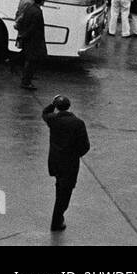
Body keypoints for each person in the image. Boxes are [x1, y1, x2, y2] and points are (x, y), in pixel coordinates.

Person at [42, 94, 90, 231]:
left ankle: (57, 219)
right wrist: (75, 154)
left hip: (55, 161)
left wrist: (53, 102)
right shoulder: (78, 123)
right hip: (70, 163)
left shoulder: (53, 120)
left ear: (57, 107)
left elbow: (45, 113)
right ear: (69, 107)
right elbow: (85, 146)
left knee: (60, 187)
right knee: (66, 192)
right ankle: (57, 220)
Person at [14, 0, 47, 90]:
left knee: (29, 59)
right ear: (41, 1)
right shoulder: (37, 12)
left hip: (28, 39)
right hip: (34, 41)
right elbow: (34, 27)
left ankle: (26, 77)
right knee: (32, 61)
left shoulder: (30, 8)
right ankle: (26, 81)